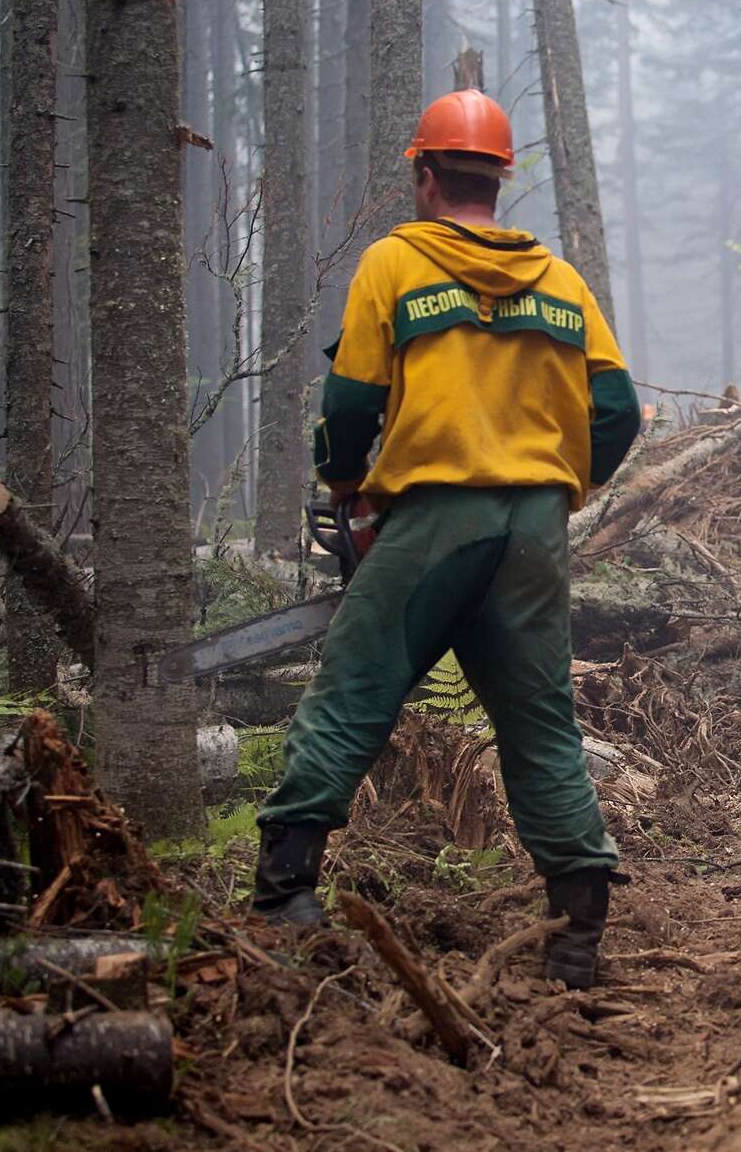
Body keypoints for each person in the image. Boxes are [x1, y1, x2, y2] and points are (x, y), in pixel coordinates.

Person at [250, 89, 643, 989]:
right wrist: (567, 482)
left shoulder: (395, 263)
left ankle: (283, 894)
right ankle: (578, 929)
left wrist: (345, 484)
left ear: (426, 176)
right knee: (540, 721)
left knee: (354, 690)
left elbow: (351, 400)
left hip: (434, 519)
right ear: (498, 180)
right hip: (533, 530)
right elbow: (618, 409)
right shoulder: (560, 280)